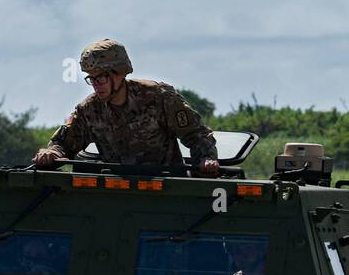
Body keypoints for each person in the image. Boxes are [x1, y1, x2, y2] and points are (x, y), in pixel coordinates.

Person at [34, 40, 220, 176]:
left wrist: (207, 159)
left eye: (101, 78)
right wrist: (51, 153)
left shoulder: (158, 96)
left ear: (119, 73)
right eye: (91, 79)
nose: (96, 84)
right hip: (119, 192)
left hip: (166, 187)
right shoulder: (89, 110)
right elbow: (64, 144)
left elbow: (196, 134)